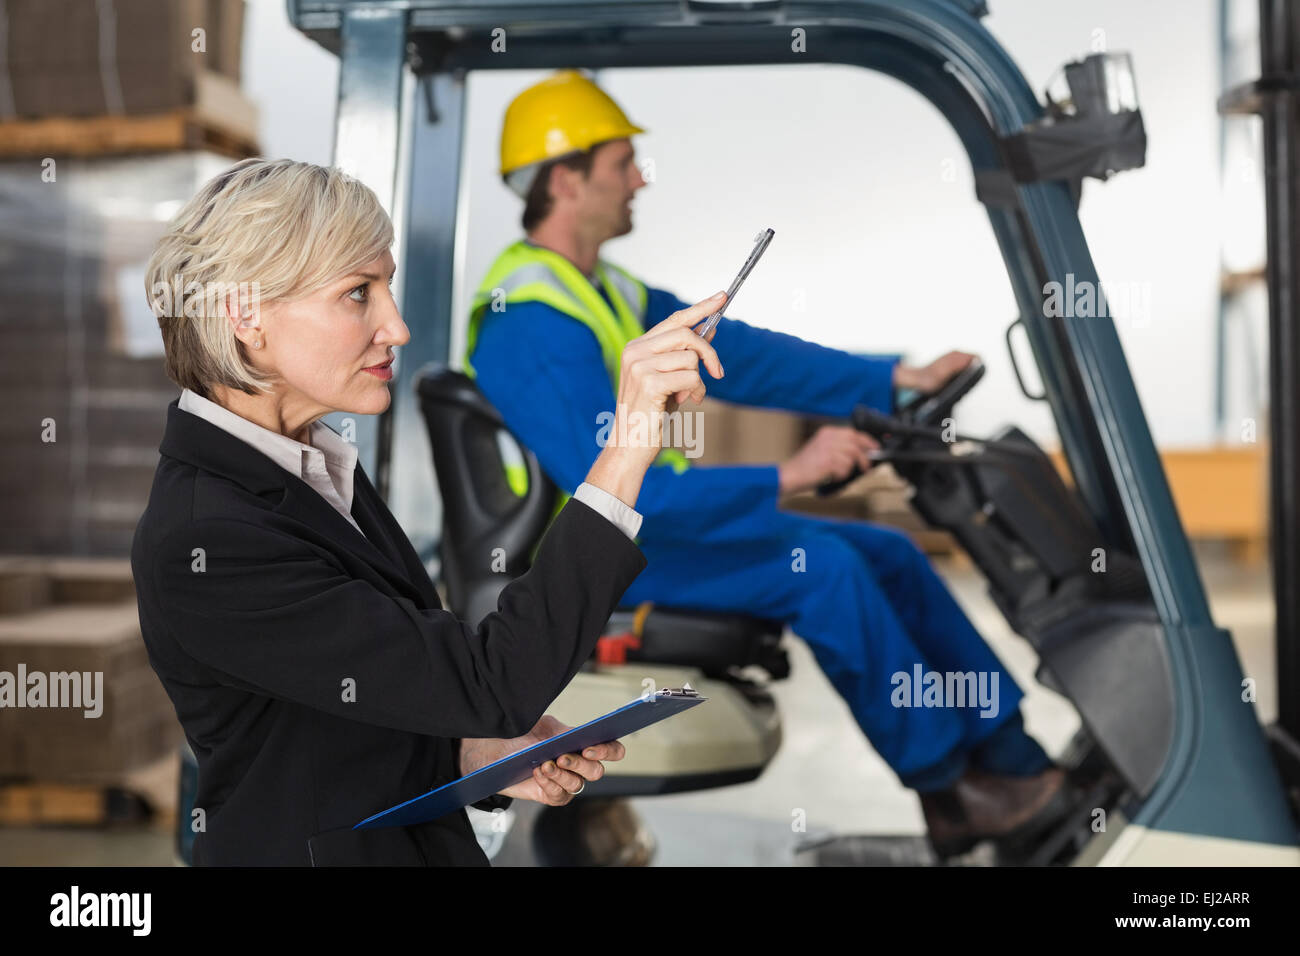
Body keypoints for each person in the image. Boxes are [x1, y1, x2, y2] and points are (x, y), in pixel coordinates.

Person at [466, 70, 1068, 857]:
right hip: (589, 563)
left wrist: (891, 379)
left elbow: (747, 358)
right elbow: (603, 492)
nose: (641, 178)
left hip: (648, 536)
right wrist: (790, 474)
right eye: (623, 163)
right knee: (822, 568)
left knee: (884, 550)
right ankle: (951, 788)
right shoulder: (532, 318)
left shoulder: (603, 289)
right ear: (565, 177)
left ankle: (1014, 761)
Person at [131, 157, 727, 866]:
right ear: (246, 316)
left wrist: (474, 751)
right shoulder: (209, 539)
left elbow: (339, 714)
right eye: (358, 293)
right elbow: (489, 682)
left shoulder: (310, 465)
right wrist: (628, 442)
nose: (397, 326)